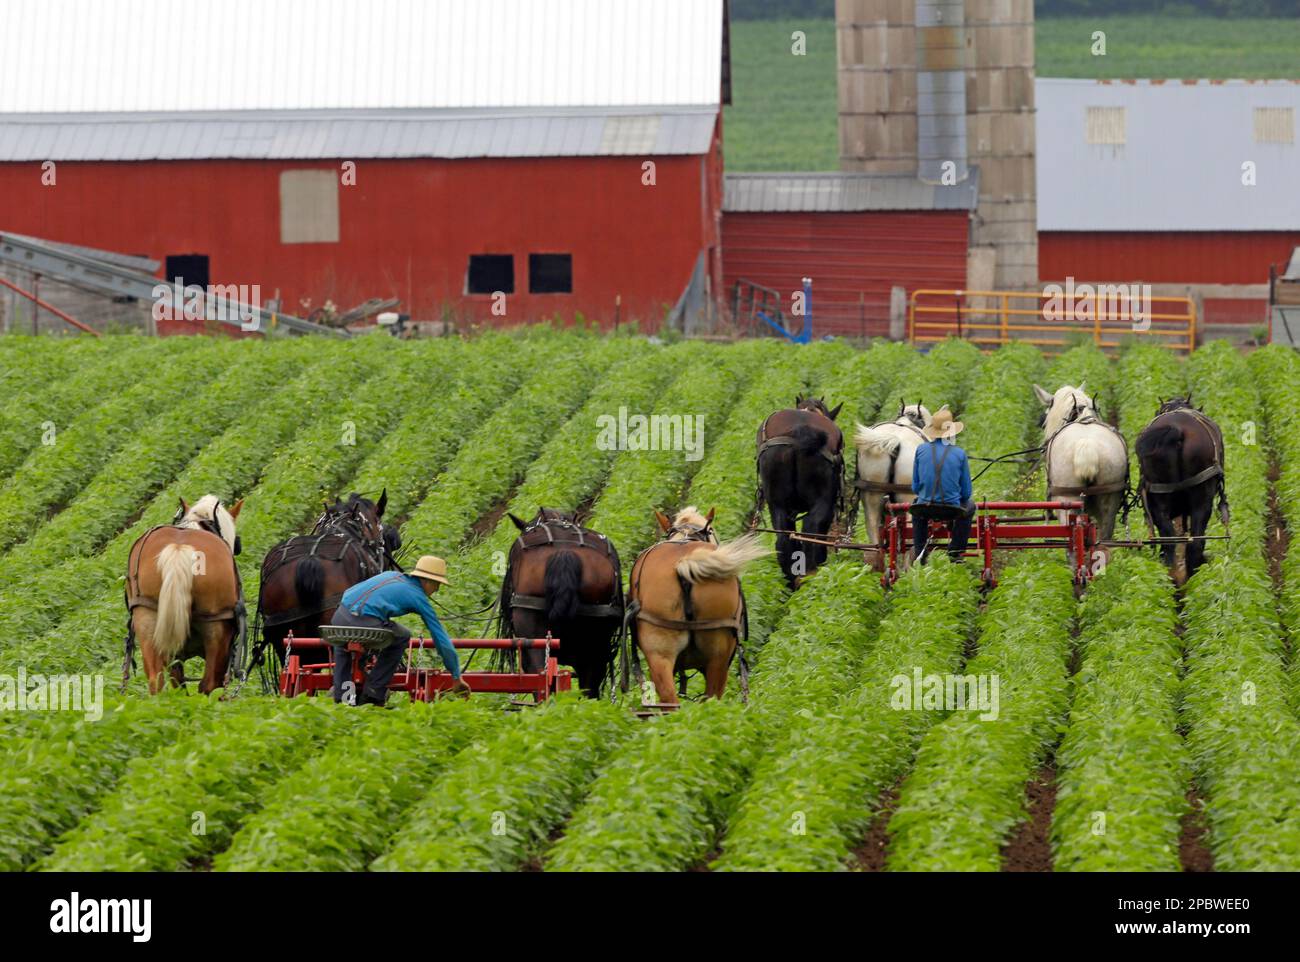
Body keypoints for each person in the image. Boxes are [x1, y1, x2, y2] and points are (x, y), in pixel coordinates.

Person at [330, 555, 469, 705]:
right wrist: (456, 675)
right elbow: (440, 637)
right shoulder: (418, 596)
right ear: (427, 581)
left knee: (343, 643)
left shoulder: (391, 575)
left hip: (339, 617)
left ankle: (342, 697)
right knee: (402, 635)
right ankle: (373, 692)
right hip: (364, 624)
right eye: (437, 585)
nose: (437, 590)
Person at [909, 407, 976, 564]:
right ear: (951, 432)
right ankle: (955, 552)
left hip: (925, 507)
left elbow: (915, 487)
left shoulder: (920, 450)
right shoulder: (959, 453)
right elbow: (966, 493)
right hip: (952, 509)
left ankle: (920, 551)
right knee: (970, 506)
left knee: (916, 508)